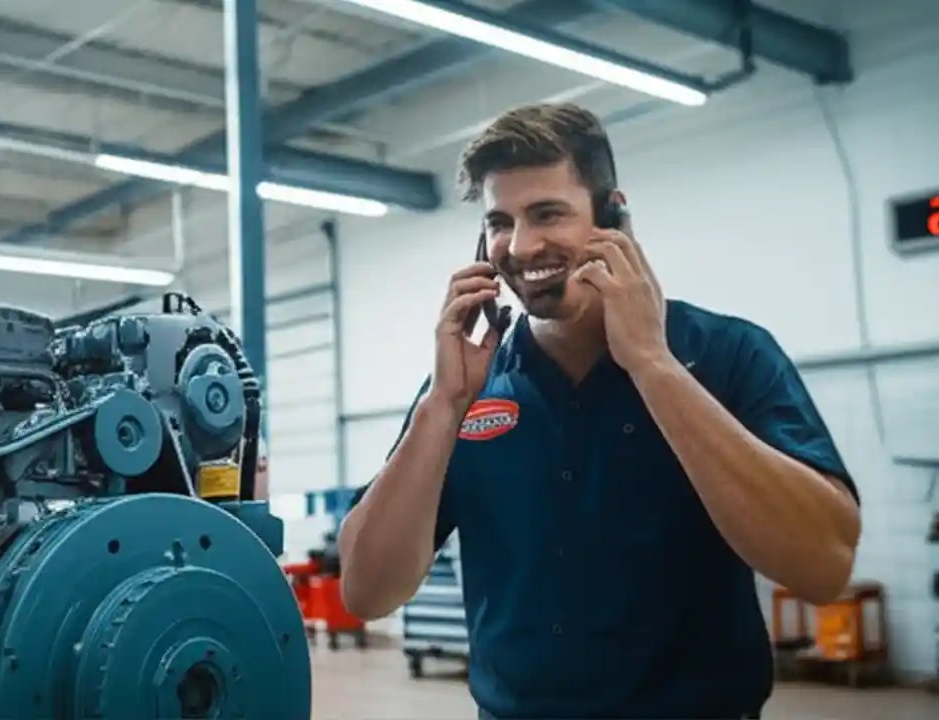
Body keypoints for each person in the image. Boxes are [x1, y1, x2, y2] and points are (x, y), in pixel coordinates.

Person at [337, 103, 862, 719]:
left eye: (548, 214)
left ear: (614, 217)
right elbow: (368, 592)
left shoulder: (728, 356)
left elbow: (824, 566)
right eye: (500, 222)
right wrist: (442, 406)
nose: (522, 245)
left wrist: (653, 366)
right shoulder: (462, 391)